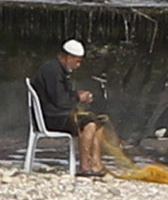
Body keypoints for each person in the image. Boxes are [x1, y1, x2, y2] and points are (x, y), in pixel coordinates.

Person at [31, 38, 110, 178]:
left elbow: (62, 97)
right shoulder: (52, 71)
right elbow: (60, 101)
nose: (78, 65)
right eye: (77, 61)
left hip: (56, 114)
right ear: (69, 57)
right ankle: (84, 167)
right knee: (89, 124)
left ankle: (96, 164)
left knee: (98, 122)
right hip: (50, 117)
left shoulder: (58, 70)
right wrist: (79, 97)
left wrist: (77, 95)